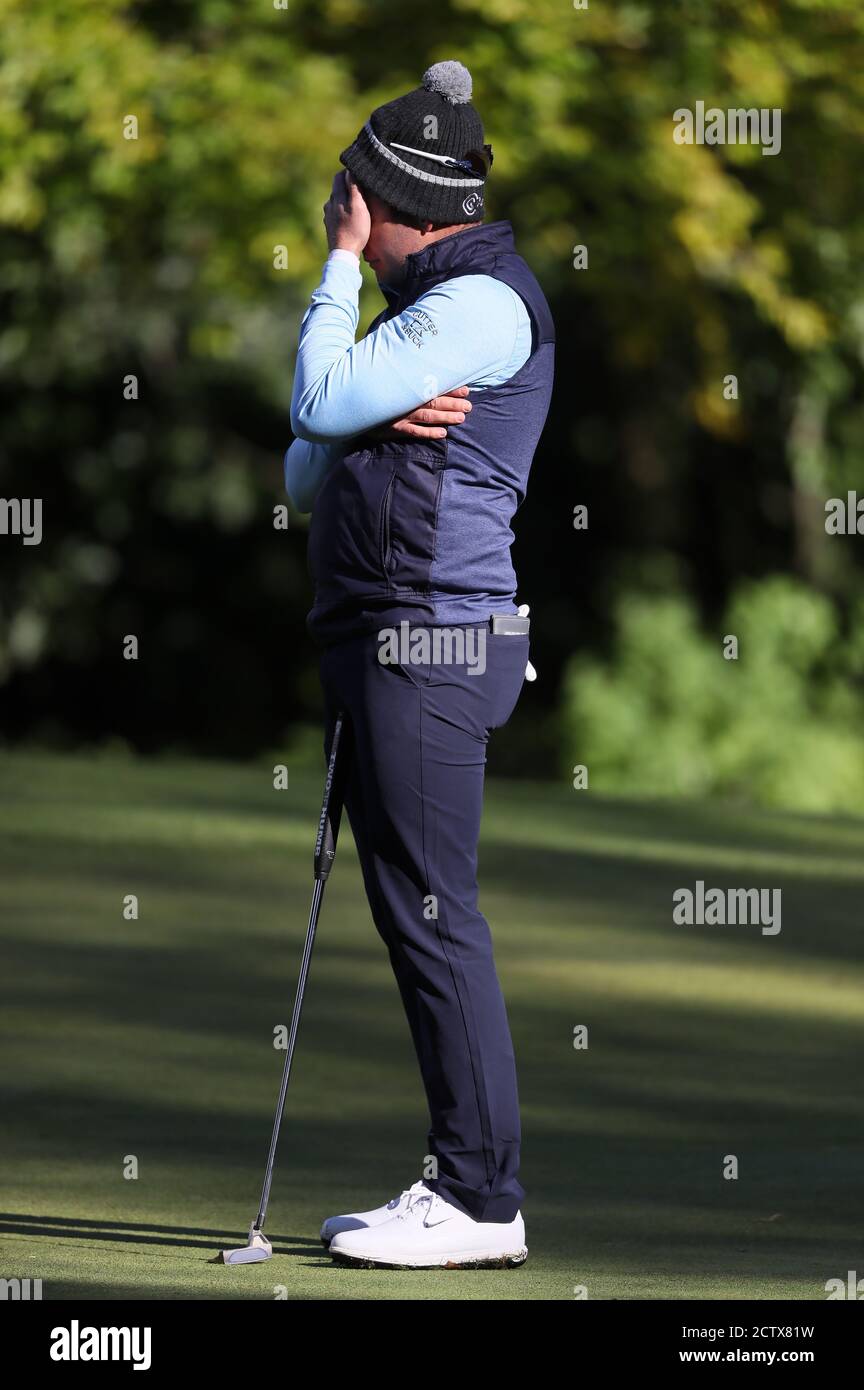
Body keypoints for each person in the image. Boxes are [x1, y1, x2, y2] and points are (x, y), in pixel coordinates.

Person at [284, 60, 555, 1269]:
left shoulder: (482, 305)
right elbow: (305, 454)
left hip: (434, 636)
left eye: (356, 205)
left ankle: (481, 1199)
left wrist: (341, 287)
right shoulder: (431, 312)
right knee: (415, 914)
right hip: (387, 633)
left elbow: (311, 394)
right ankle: (460, 1183)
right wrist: (365, 407)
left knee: (438, 916)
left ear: (394, 202)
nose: (346, 218)